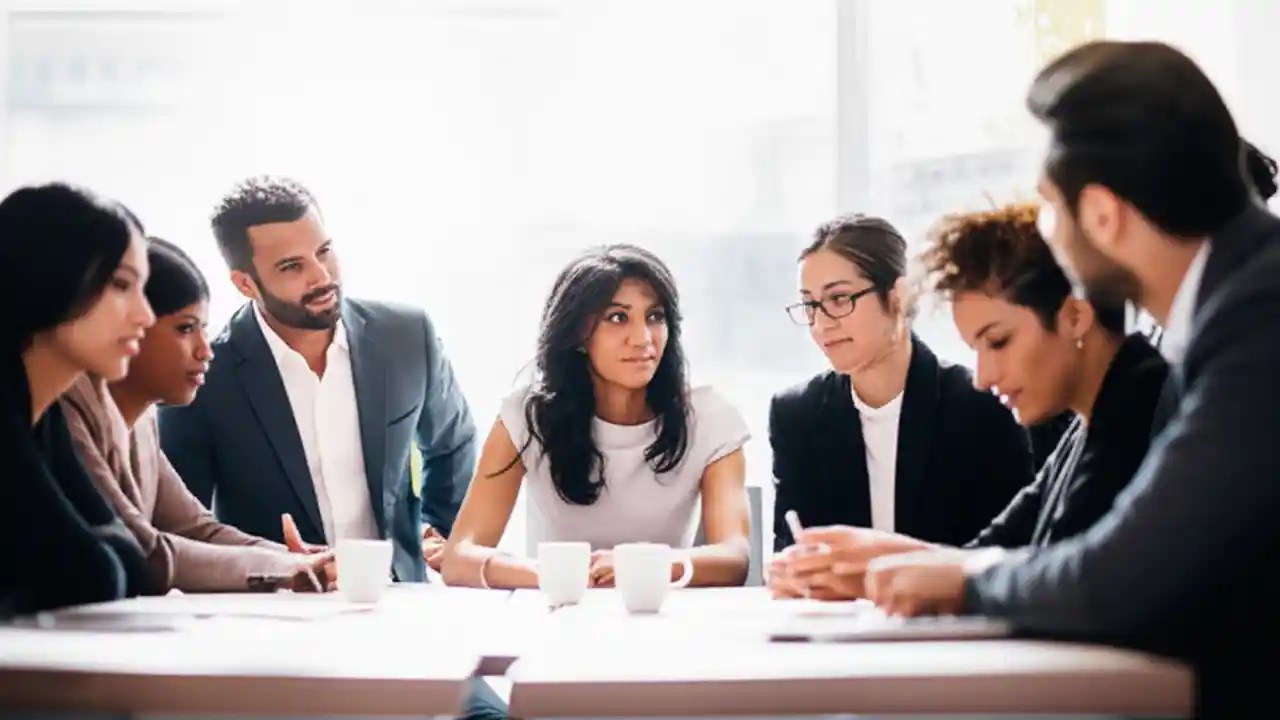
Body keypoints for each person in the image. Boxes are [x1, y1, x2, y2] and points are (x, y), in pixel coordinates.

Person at [850, 41, 1280, 718]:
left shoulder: (1256, 318)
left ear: (1104, 215)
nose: (1044, 231)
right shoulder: (1235, 305)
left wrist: (968, 581)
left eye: (1050, 206)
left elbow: (1123, 576)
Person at [771, 202, 1168, 600]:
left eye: (998, 342)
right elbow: (998, 553)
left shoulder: (1144, 404)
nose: (984, 376)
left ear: (1076, 316)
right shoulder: (1086, 428)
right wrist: (880, 559)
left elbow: (1078, 578)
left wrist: (882, 562)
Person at [159, 176, 476, 582]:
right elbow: (184, 527)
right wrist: (273, 566)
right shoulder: (204, 375)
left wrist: (436, 535)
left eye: (324, 251)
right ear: (245, 284)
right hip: (278, 609)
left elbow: (453, 446)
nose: (322, 276)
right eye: (292, 266)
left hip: (400, 598)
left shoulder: (406, 336)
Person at [441, 244, 751, 589]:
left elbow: (734, 558)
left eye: (655, 317)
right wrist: (552, 576)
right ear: (577, 334)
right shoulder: (527, 416)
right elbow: (460, 557)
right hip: (558, 611)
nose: (643, 339)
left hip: (657, 614)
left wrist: (642, 565)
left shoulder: (709, 416)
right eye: (618, 318)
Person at [60, 237, 333, 593]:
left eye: (204, 329)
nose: (206, 351)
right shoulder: (66, 410)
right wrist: (286, 567)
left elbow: (197, 529)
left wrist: (305, 559)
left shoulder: (141, 422)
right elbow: (143, 550)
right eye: (186, 328)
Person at [769, 214, 1034, 553]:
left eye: (839, 299)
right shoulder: (796, 414)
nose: (820, 324)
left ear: (898, 298)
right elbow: (790, 547)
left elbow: (1010, 553)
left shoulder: (980, 404)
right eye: (810, 304)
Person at [0, 183, 152, 616]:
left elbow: (130, 560)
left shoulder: (41, 409)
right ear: (51, 274)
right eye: (121, 284)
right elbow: (85, 570)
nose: (145, 316)